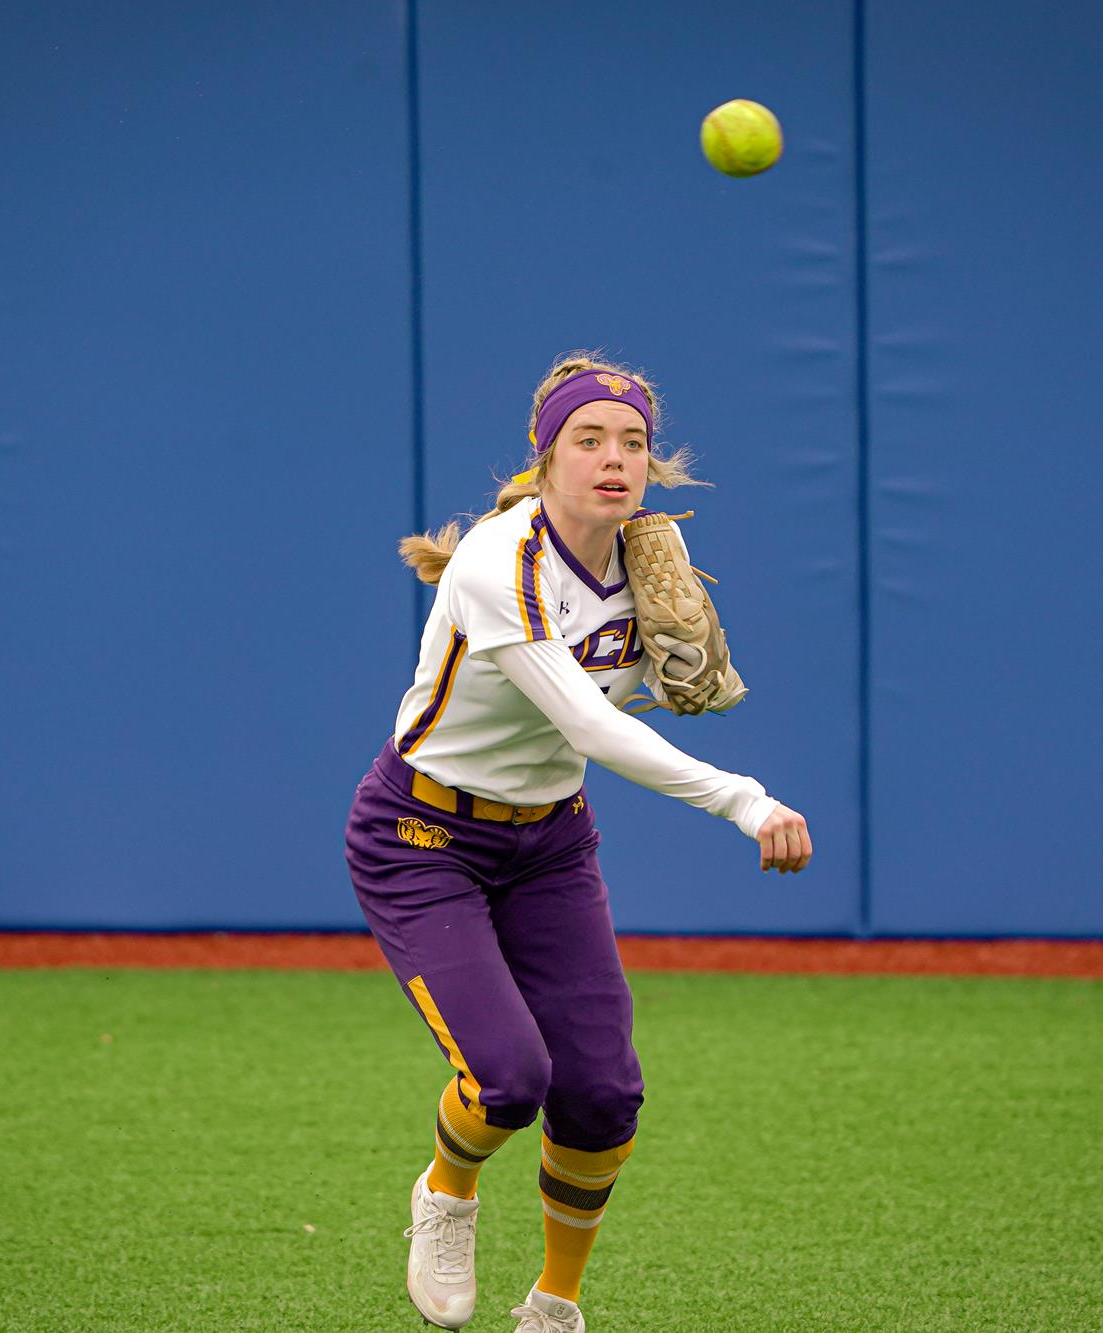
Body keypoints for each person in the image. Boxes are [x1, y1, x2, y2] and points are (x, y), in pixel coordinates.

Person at [344, 354, 812, 1331]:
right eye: (587, 439)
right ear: (544, 456)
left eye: (632, 441)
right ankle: (445, 1191)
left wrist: (699, 673)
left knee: (601, 1093)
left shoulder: (645, 562)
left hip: (548, 846)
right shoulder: (495, 561)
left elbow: (698, 693)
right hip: (421, 837)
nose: (614, 459)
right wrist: (741, 800)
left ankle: (553, 1301)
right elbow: (590, 726)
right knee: (509, 1078)